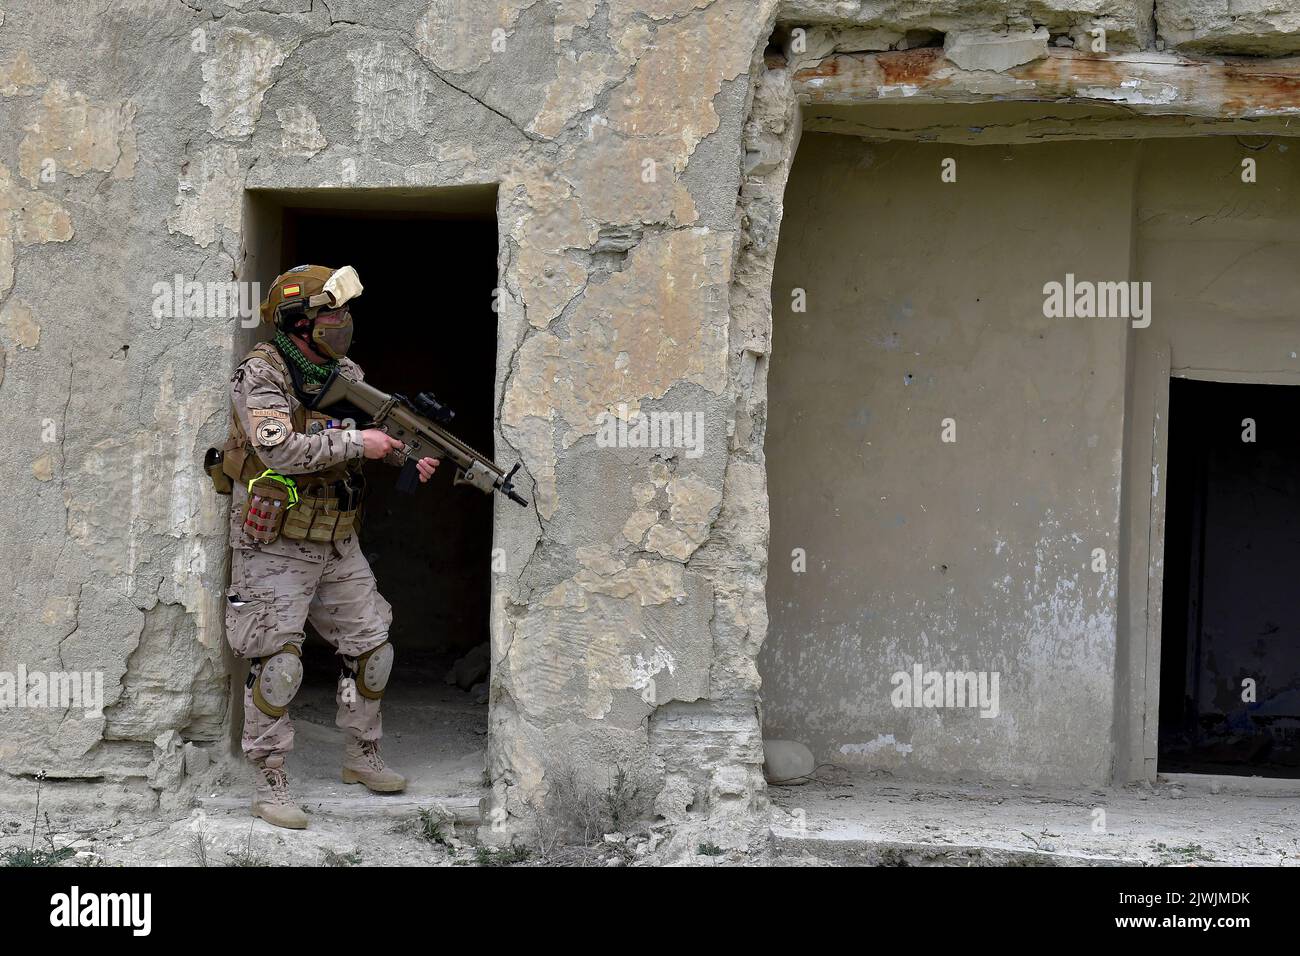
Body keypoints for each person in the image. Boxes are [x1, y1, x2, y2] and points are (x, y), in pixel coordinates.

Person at [218, 264, 439, 829]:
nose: (344, 322)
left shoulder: (345, 372)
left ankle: (361, 756)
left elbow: (367, 432)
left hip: (337, 535)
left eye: (344, 312)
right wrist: (359, 442)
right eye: (331, 313)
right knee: (277, 663)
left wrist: (403, 452)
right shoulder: (262, 373)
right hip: (275, 539)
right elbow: (280, 452)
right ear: (299, 321)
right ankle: (270, 780)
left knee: (372, 650)